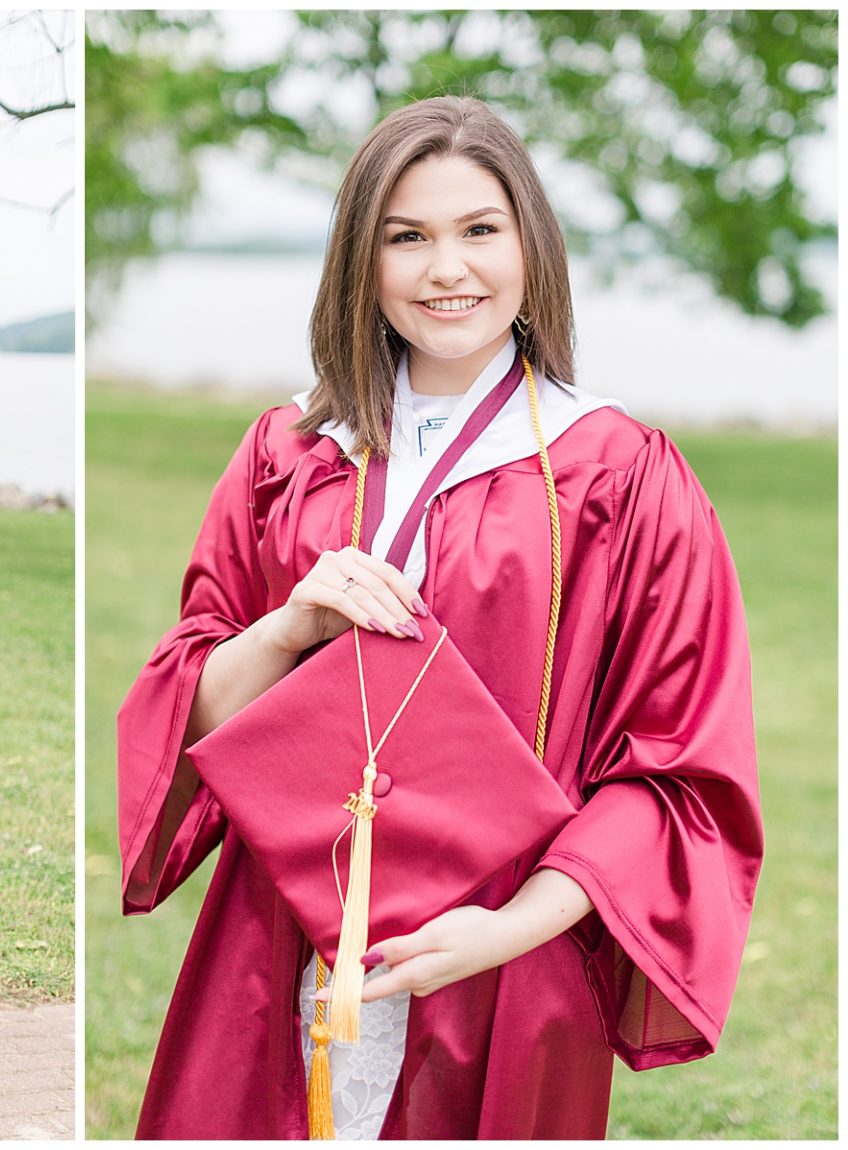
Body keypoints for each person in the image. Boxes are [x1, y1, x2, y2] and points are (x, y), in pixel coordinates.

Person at [116, 96, 762, 1139]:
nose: (445, 269)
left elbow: (678, 768)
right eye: (405, 236)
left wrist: (507, 929)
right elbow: (186, 709)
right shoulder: (290, 454)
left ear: (530, 246)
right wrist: (285, 627)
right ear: (360, 262)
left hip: (504, 950)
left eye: (479, 230)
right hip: (282, 930)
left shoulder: (618, 473)